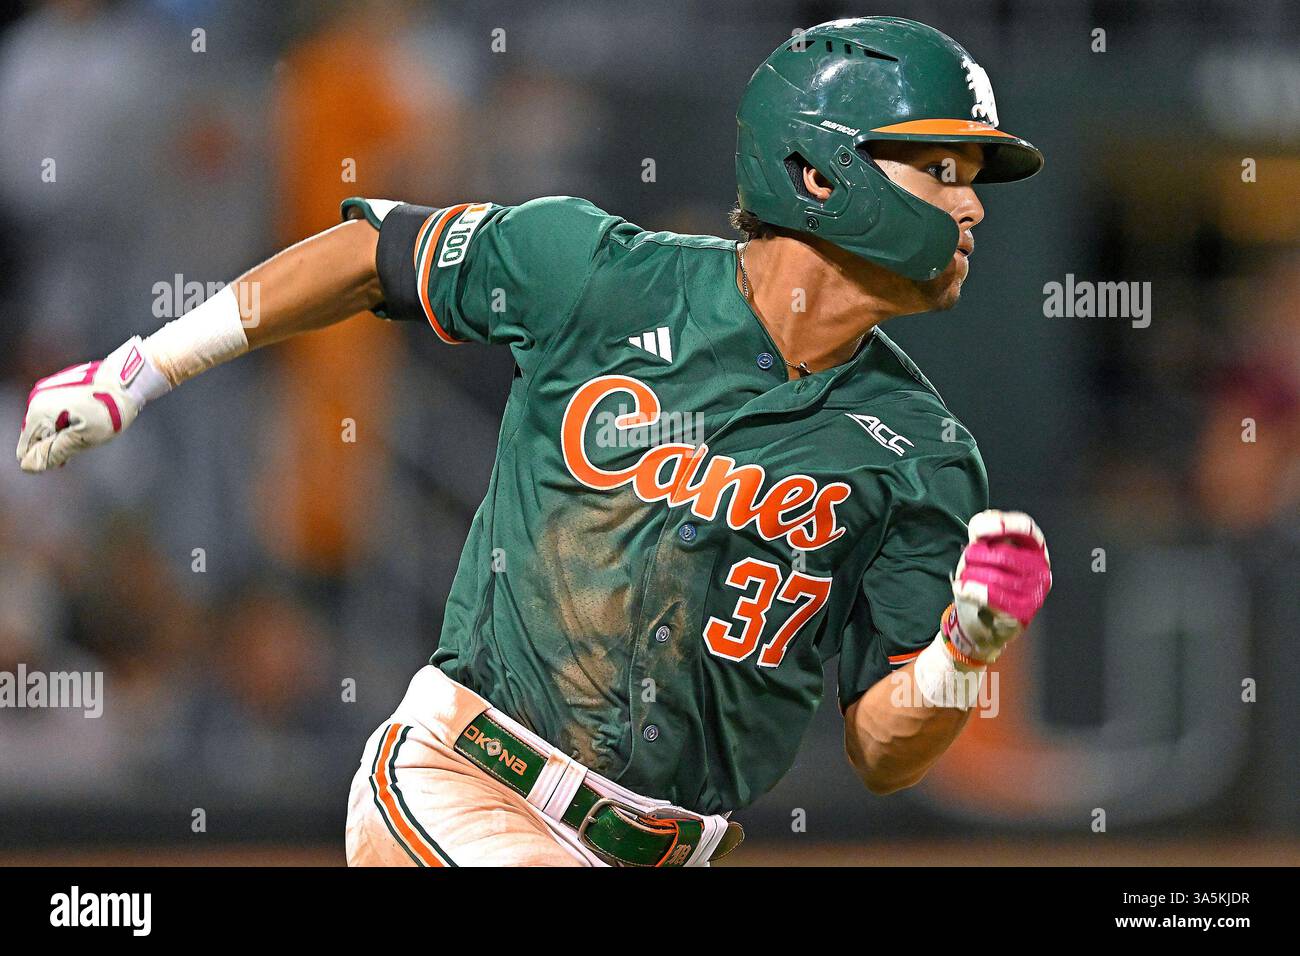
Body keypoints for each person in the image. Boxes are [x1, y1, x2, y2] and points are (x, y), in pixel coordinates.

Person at [16, 16, 1052, 867]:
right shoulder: (599, 272)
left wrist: (964, 650)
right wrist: (139, 369)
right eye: (942, 168)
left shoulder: (922, 449)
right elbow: (368, 250)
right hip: (466, 780)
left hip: (668, 849)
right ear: (818, 172)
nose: (969, 206)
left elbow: (882, 744)